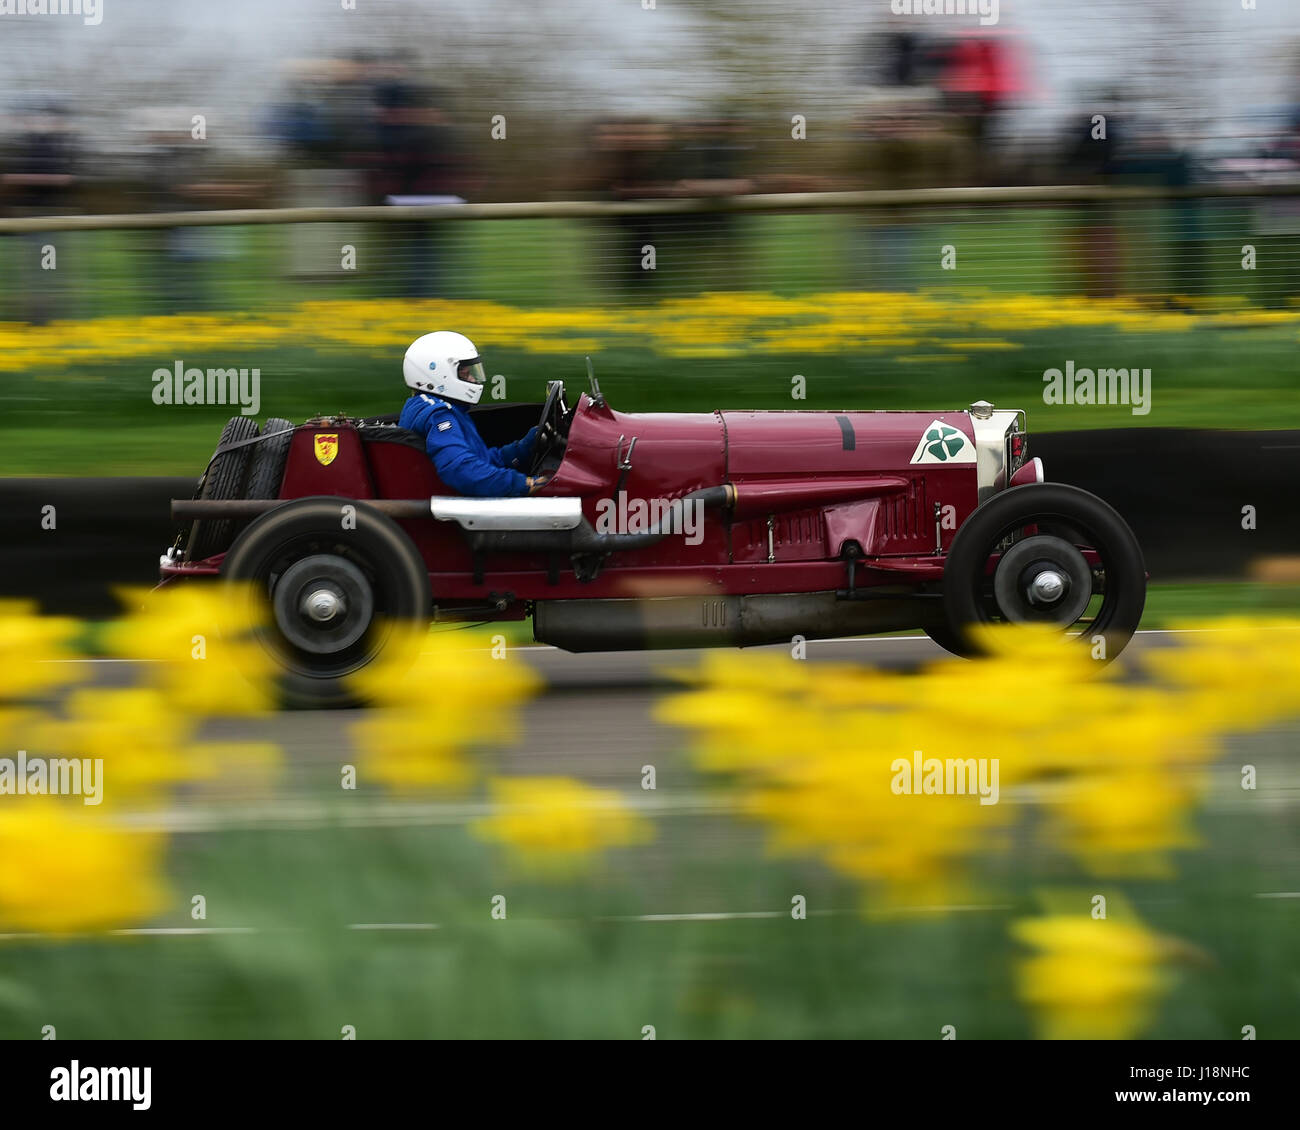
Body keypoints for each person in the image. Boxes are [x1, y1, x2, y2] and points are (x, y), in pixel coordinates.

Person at [399, 332, 545, 496]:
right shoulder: (438, 414)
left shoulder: (434, 407)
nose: (474, 380)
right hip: (449, 511)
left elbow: (479, 461)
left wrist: (524, 447)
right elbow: (461, 469)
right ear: (437, 373)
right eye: (465, 373)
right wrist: (524, 484)